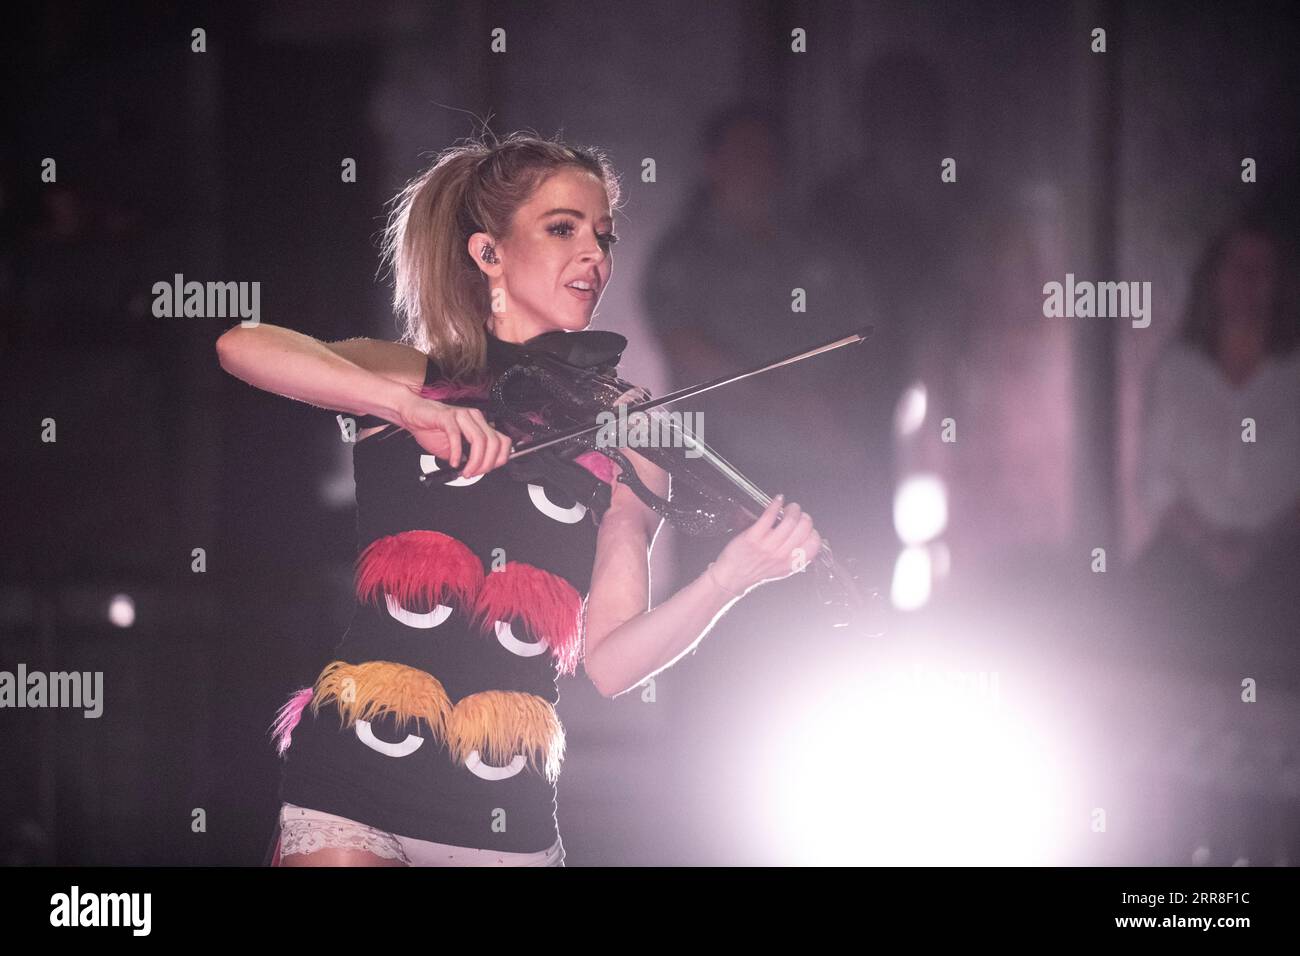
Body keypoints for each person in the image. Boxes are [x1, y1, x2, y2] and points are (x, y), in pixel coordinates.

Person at [214, 131, 823, 866]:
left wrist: (730, 578)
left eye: (603, 235)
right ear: (488, 254)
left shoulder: (625, 435)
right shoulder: (411, 376)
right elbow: (241, 345)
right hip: (352, 786)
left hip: (503, 812)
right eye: (563, 228)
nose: (595, 255)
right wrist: (410, 409)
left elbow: (610, 665)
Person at [1136, 217, 1300, 650]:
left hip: (1285, 565)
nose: (1248, 281)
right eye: (1237, 266)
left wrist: (1261, 547)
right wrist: (1209, 546)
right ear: (1214, 278)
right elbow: (1155, 480)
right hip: (1187, 562)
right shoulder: (1176, 372)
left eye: (1262, 268)